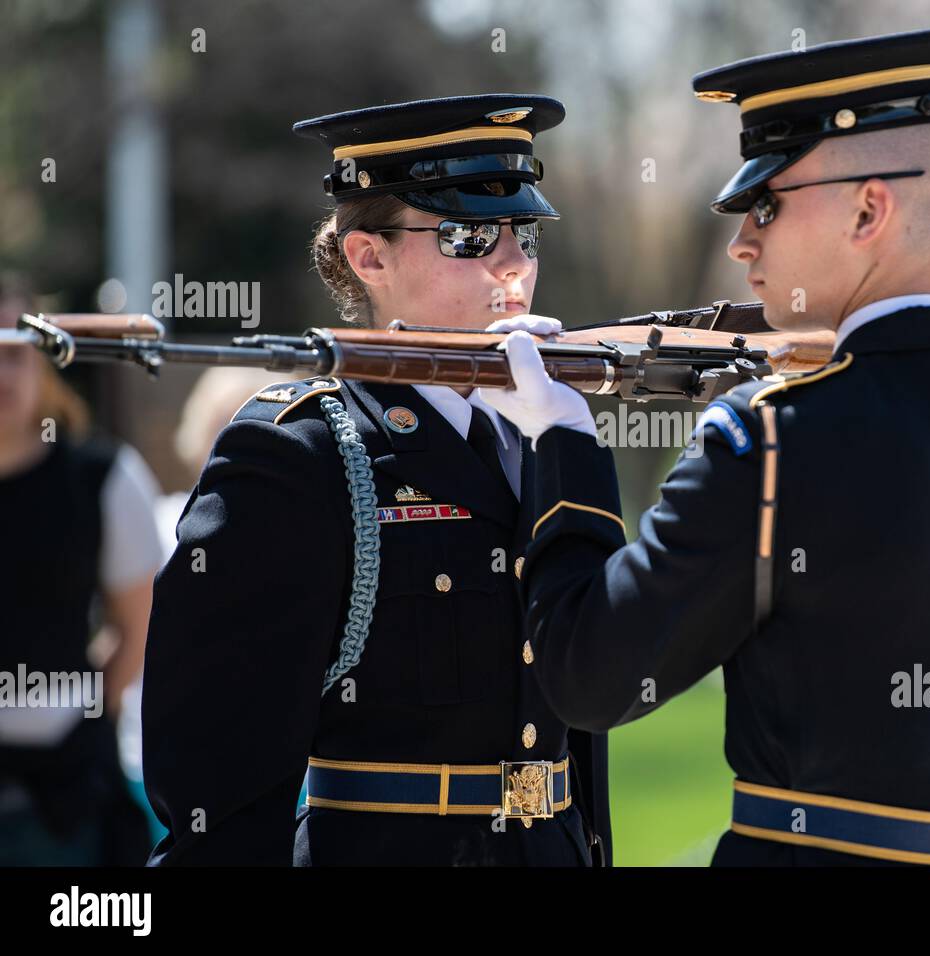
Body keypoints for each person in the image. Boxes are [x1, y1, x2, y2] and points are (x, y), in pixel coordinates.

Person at [483, 31, 930, 866]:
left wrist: (561, 440)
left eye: (768, 204)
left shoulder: (770, 438)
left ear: (868, 211)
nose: (744, 241)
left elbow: (593, 676)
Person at [141, 95, 611, 866]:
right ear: (370, 258)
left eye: (524, 234)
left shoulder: (542, 426)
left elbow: (596, 683)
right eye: (469, 236)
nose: (513, 264)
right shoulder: (298, 450)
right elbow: (218, 796)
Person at [0, 273, 160, 865]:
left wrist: (83, 714)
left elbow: (136, 627)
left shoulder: (105, 477)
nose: (1, 375)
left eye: (15, 354)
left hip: (63, 802)